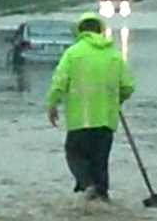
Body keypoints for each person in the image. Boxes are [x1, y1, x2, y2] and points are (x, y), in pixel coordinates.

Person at [46, 11, 135, 201]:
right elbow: (128, 87)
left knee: (75, 155)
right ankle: (102, 198)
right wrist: (116, 100)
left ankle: (87, 186)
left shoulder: (73, 53)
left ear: (80, 30)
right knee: (100, 162)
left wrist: (52, 104)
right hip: (106, 121)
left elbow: (59, 82)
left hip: (79, 121)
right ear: (101, 30)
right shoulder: (114, 55)